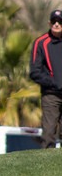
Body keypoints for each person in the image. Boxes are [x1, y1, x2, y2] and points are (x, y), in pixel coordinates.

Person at [30, 10, 62, 148]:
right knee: (49, 133)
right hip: (51, 95)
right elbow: (35, 71)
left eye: (60, 22)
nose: (57, 24)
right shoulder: (41, 42)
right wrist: (53, 83)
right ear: (49, 23)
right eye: (54, 21)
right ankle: (47, 159)